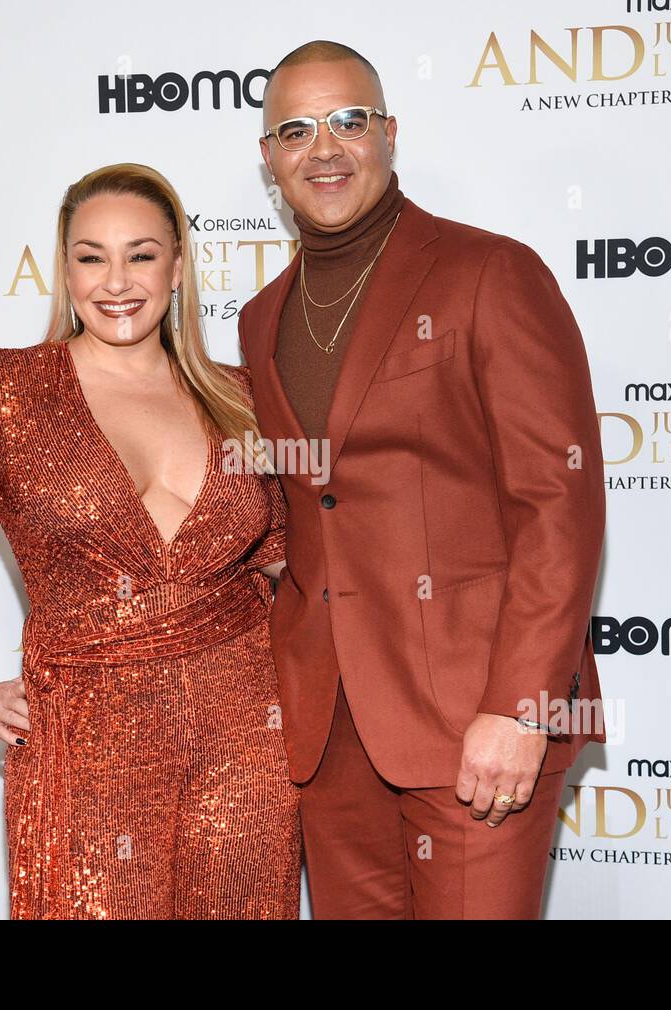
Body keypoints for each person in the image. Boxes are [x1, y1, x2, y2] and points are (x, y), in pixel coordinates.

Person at [239, 41, 608, 919]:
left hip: (475, 725)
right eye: (295, 129)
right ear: (269, 160)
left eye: (348, 121)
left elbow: (557, 503)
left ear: (389, 133)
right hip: (328, 733)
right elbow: (301, 511)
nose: (324, 148)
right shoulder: (260, 320)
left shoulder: (489, 272)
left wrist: (521, 710)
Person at [0, 163, 301, 919]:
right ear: (64, 268)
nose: (117, 280)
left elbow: (290, 562)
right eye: (90, 256)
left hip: (246, 734)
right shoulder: (3, 390)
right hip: (85, 735)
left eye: (141, 254)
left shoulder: (243, 397)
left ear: (177, 268)